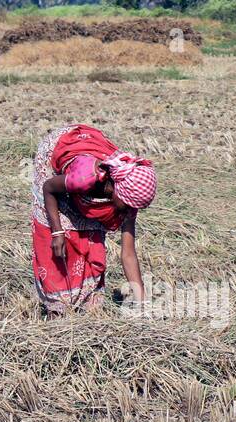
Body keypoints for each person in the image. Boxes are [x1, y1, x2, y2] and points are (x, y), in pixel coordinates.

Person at [29, 124, 156, 313]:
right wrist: (57, 232)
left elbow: (128, 254)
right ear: (117, 191)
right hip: (55, 158)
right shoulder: (85, 178)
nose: (131, 211)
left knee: (91, 237)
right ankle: (57, 308)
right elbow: (48, 188)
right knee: (60, 232)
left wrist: (143, 305)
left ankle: (85, 304)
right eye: (129, 206)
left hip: (91, 179)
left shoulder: (128, 198)